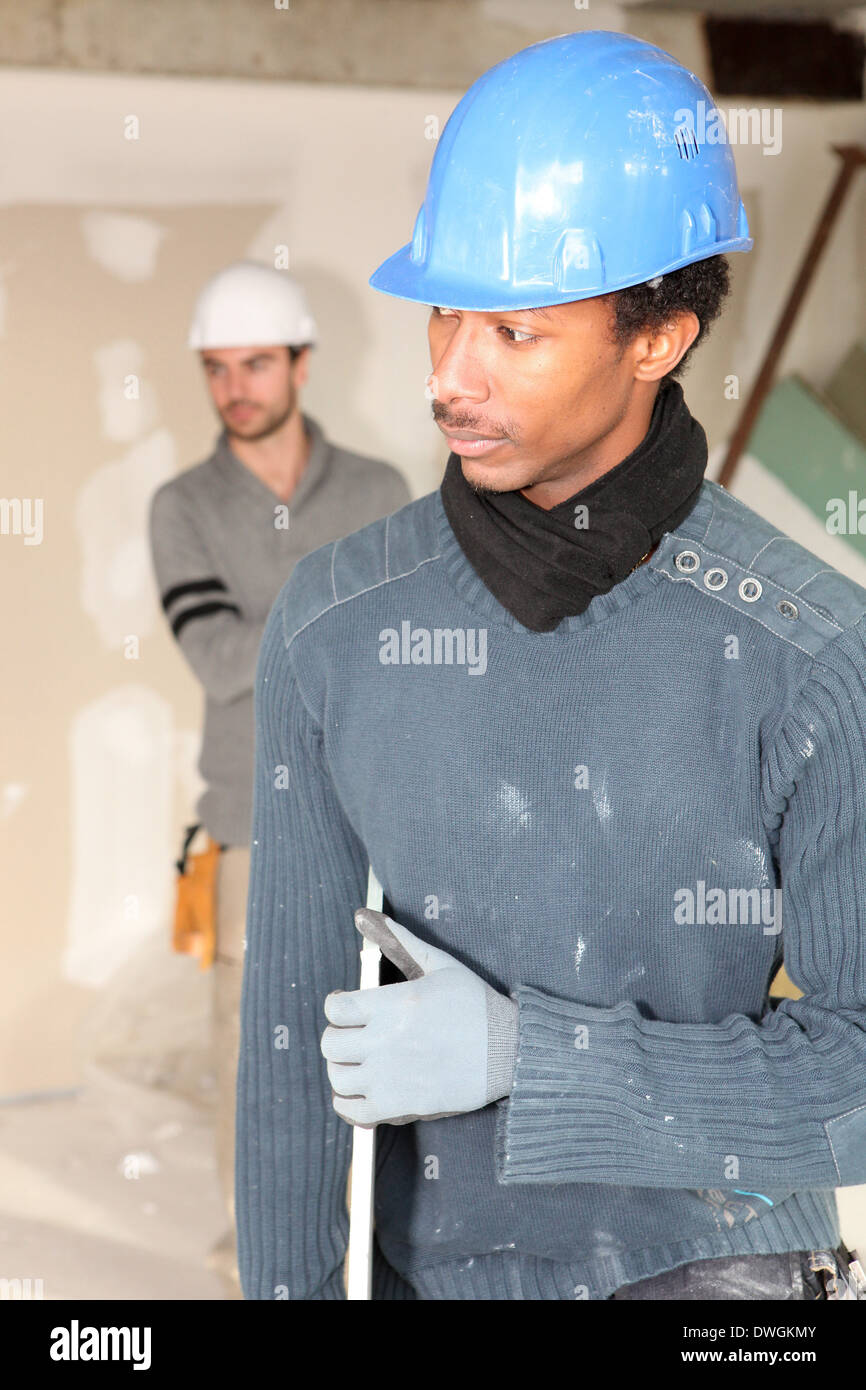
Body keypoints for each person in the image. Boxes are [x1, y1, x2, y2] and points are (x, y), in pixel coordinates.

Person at [236, 34, 866, 1301]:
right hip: (441, 1274)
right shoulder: (336, 624)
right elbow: (288, 1045)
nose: (449, 375)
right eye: (443, 310)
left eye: (513, 330)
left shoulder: (803, 651)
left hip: (722, 1277)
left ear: (658, 338)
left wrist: (536, 1057)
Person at [148, 260, 410, 1290]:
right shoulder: (183, 506)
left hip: (379, 821)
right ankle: (251, 1275)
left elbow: (405, 652)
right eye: (215, 368)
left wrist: (315, 639)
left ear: (301, 363)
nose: (233, 388)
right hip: (249, 830)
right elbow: (218, 662)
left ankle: (379, 1266)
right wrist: (341, 621)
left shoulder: (379, 491)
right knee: (257, 1073)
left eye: (255, 363)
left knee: (384, 1061)